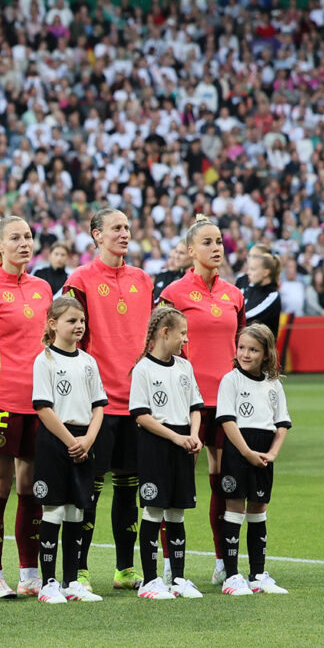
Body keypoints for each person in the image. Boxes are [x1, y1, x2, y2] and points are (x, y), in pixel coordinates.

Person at [61, 208, 152, 589]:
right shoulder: (79, 279)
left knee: (129, 489)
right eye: (116, 228)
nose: (124, 234)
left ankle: (124, 568)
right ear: (96, 235)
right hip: (96, 403)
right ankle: (79, 568)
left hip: (135, 402)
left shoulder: (143, 280)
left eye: (128, 227)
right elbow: (67, 337)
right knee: (90, 490)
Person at [0, 215, 52, 599]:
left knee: (31, 487)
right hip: (0, 401)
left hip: (40, 402)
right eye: (16, 237)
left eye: (29, 237)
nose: (24, 243)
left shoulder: (43, 288)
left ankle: (30, 573)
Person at [157, 216, 244, 586]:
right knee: (176, 480)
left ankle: (224, 560)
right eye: (207, 242)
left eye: (219, 241)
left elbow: (243, 347)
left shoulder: (235, 294)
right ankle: (168, 563)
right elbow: (157, 344)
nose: (216, 248)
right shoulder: (174, 293)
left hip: (225, 399)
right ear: (191, 250)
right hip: (184, 398)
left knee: (223, 481)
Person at [30, 296, 107, 604]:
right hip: (55, 439)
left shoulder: (89, 362)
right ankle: (48, 583)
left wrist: (87, 439)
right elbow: (43, 407)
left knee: (77, 511)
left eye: (82, 321)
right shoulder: (44, 360)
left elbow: (99, 406)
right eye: (71, 321)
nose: (78, 326)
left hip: (84, 441)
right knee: (55, 509)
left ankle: (71, 582)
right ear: (53, 324)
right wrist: (70, 441)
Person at [129, 305, 205, 600]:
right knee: (154, 510)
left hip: (183, 443)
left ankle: (178, 578)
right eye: (182, 333)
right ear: (165, 333)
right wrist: (176, 437)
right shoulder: (143, 369)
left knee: (177, 511)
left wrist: (194, 436)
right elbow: (141, 414)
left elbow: (195, 407)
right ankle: (150, 581)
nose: (185, 339)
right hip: (157, 445)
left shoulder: (185, 367)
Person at [215, 324, 291, 596]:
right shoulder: (231, 380)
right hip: (238, 450)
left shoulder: (274, 385)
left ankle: (258, 574)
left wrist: (272, 454)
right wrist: (247, 452)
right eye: (242, 348)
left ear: (266, 354)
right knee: (234, 509)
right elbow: (227, 420)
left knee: (258, 511)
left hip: (264, 453)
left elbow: (282, 424)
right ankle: (232, 577)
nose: (245, 354)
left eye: (253, 350)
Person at [241, 249, 282, 334]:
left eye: (253, 269)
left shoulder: (272, 295)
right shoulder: (249, 288)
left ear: (265, 272)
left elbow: (248, 316)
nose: (248, 272)